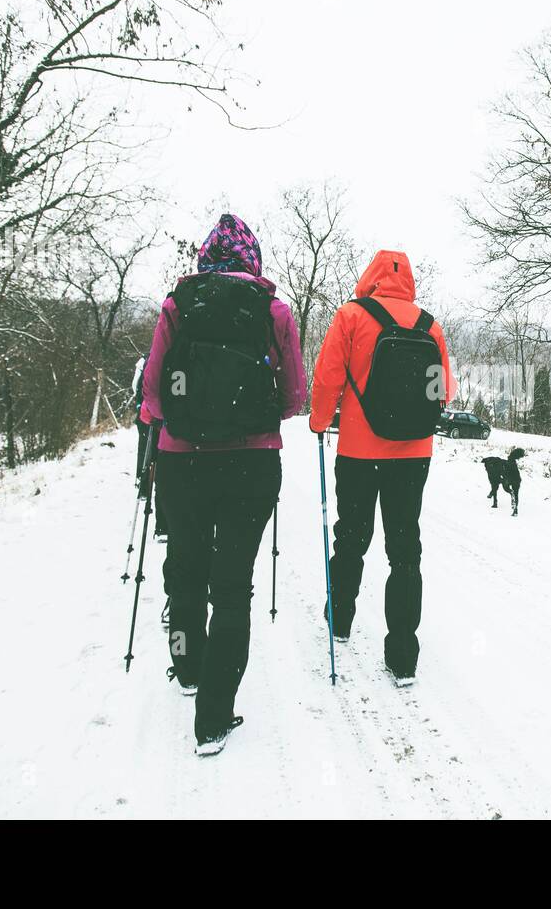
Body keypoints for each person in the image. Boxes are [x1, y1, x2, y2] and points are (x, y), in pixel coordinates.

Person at [142, 213, 305, 755]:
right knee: (233, 587)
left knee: (184, 572)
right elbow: (295, 396)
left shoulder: (178, 304)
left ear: (206, 256)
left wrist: (179, 425)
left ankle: (187, 667)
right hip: (251, 465)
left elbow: (154, 391)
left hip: (182, 463)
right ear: (252, 258)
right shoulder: (272, 310)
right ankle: (212, 718)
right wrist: (253, 417)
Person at [308, 250, 453, 686]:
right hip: (412, 455)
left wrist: (319, 421)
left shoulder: (352, 315)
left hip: (357, 450)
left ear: (370, 277)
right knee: (405, 549)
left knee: (351, 537)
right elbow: (444, 390)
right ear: (408, 280)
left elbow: (328, 375)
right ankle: (403, 657)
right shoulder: (430, 325)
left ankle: (340, 620)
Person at [131, 355, 168, 541]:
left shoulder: (149, 358)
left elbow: (138, 387)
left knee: (150, 457)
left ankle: (144, 485)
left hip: (152, 418)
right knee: (165, 468)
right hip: (167, 420)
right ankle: (164, 524)